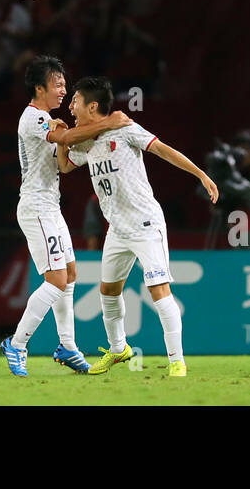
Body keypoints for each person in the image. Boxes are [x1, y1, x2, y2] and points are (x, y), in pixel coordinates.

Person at [58, 76, 218, 378]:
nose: (70, 106)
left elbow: (163, 150)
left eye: (75, 100)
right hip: (117, 229)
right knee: (108, 291)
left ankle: (176, 360)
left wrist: (200, 174)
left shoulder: (126, 129)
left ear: (93, 105)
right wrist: (63, 137)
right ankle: (119, 350)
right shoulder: (89, 140)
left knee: (158, 289)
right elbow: (65, 166)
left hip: (145, 224)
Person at [0, 55, 132, 377]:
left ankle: (68, 346)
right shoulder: (35, 118)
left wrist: (80, 137)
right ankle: (17, 344)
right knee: (56, 280)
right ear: (39, 87)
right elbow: (64, 138)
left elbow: (64, 160)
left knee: (70, 275)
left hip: (49, 206)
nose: (62, 90)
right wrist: (108, 122)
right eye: (57, 84)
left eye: (64, 85)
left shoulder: (48, 120)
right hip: (36, 207)